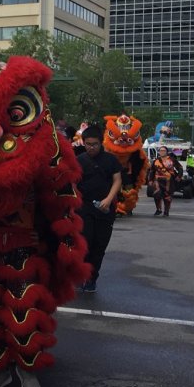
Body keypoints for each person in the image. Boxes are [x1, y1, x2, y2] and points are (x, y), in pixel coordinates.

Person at [76, 124, 122, 293]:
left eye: (94, 144)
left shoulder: (111, 160)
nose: (91, 147)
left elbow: (117, 180)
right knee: (85, 243)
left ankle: (92, 278)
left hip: (105, 209)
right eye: (88, 144)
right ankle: (82, 274)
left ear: (101, 142)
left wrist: (108, 200)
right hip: (84, 208)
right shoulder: (79, 160)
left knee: (99, 246)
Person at [148, 147, 180, 217]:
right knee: (156, 194)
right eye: (160, 151)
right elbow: (152, 171)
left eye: (163, 151)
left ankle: (166, 211)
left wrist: (179, 176)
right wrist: (150, 180)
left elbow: (179, 168)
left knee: (167, 197)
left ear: (167, 152)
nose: (162, 152)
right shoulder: (156, 161)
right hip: (157, 181)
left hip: (168, 182)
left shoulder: (172, 160)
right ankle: (158, 209)